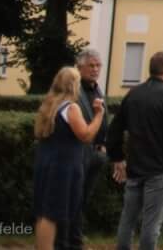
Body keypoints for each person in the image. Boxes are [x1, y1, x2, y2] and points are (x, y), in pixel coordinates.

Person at [107, 51, 163, 250]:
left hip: (135, 165)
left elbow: (115, 128)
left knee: (127, 219)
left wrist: (117, 156)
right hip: (161, 168)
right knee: (152, 224)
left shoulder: (133, 93)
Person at [34, 65, 107, 250]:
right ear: (74, 85)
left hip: (46, 162)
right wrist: (99, 115)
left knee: (44, 212)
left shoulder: (49, 104)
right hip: (64, 167)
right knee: (54, 212)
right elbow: (86, 135)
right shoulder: (71, 108)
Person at [59, 49, 110, 250]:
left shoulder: (96, 88)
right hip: (78, 151)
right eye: (91, 65)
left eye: (98, 65)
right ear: (79, 67)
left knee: (83, 201)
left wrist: (103, 146)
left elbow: (103, 118)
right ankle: (71, 241)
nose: (96, 69)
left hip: (96, 153)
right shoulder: (73, 90)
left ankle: (74, 238)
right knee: (73, 200)